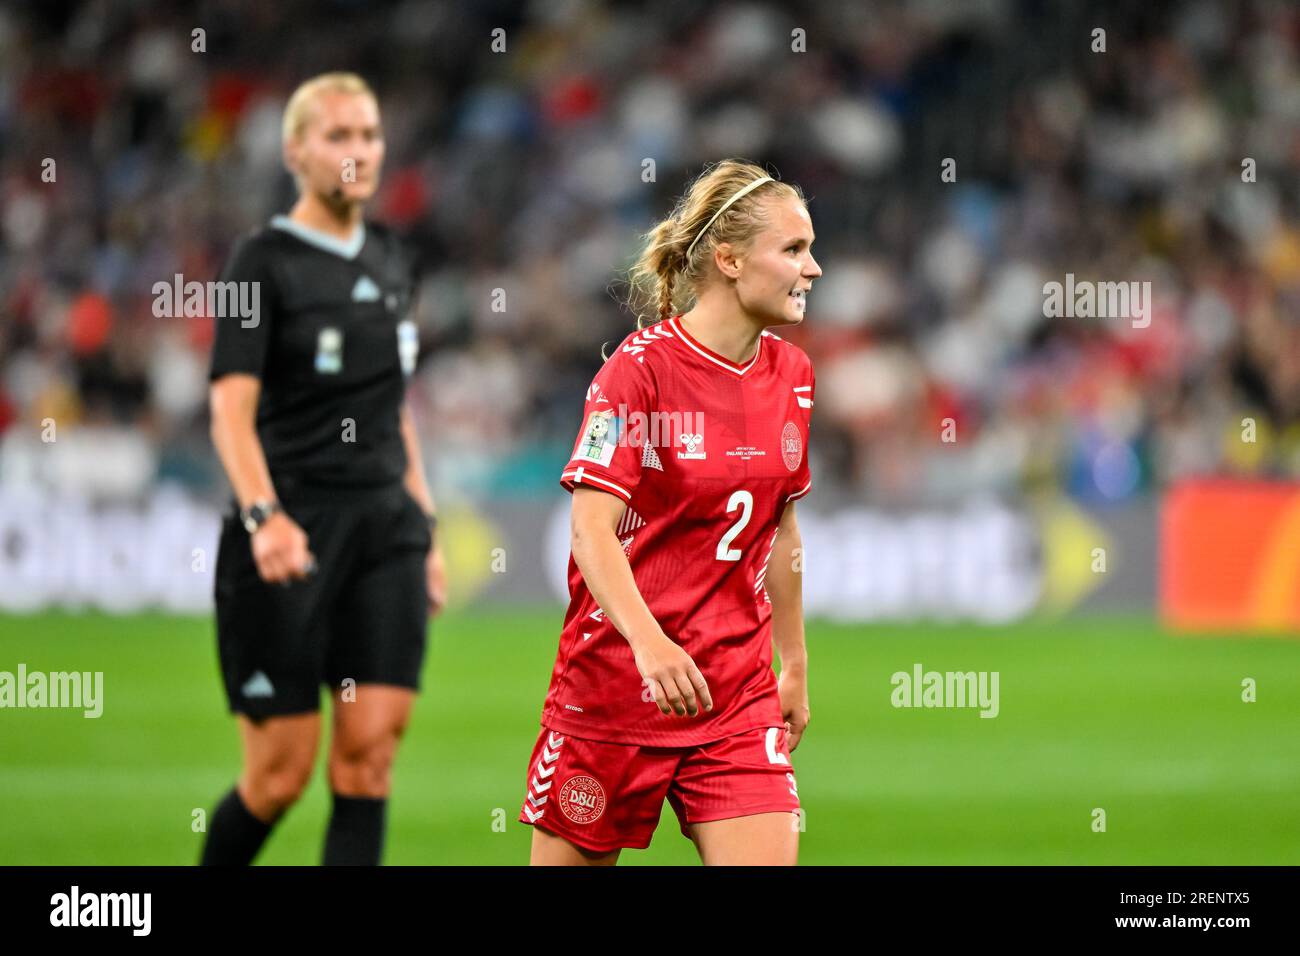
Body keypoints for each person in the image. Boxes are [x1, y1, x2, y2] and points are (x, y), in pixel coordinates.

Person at [519, 159, 820, 865]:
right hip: (616, 692)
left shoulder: (794, 377)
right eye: (795, 250)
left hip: (736, 697)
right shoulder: (638, 372)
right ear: (730, 260)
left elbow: (781, 527)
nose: (814, 269)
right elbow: (591, 530)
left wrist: (794, 660)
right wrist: (651, 647)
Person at [200, 72, 447, 866]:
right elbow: (229, 411)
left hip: (386, 532)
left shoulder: (390, 258)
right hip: (291, 532)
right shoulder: (258, 263)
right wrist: (262, 517)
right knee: (278, 776)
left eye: (369, 135)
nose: (359, 152)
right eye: (338, 136)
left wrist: (427, 526)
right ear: (295, 151)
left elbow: (394, 410)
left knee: (369, 760)